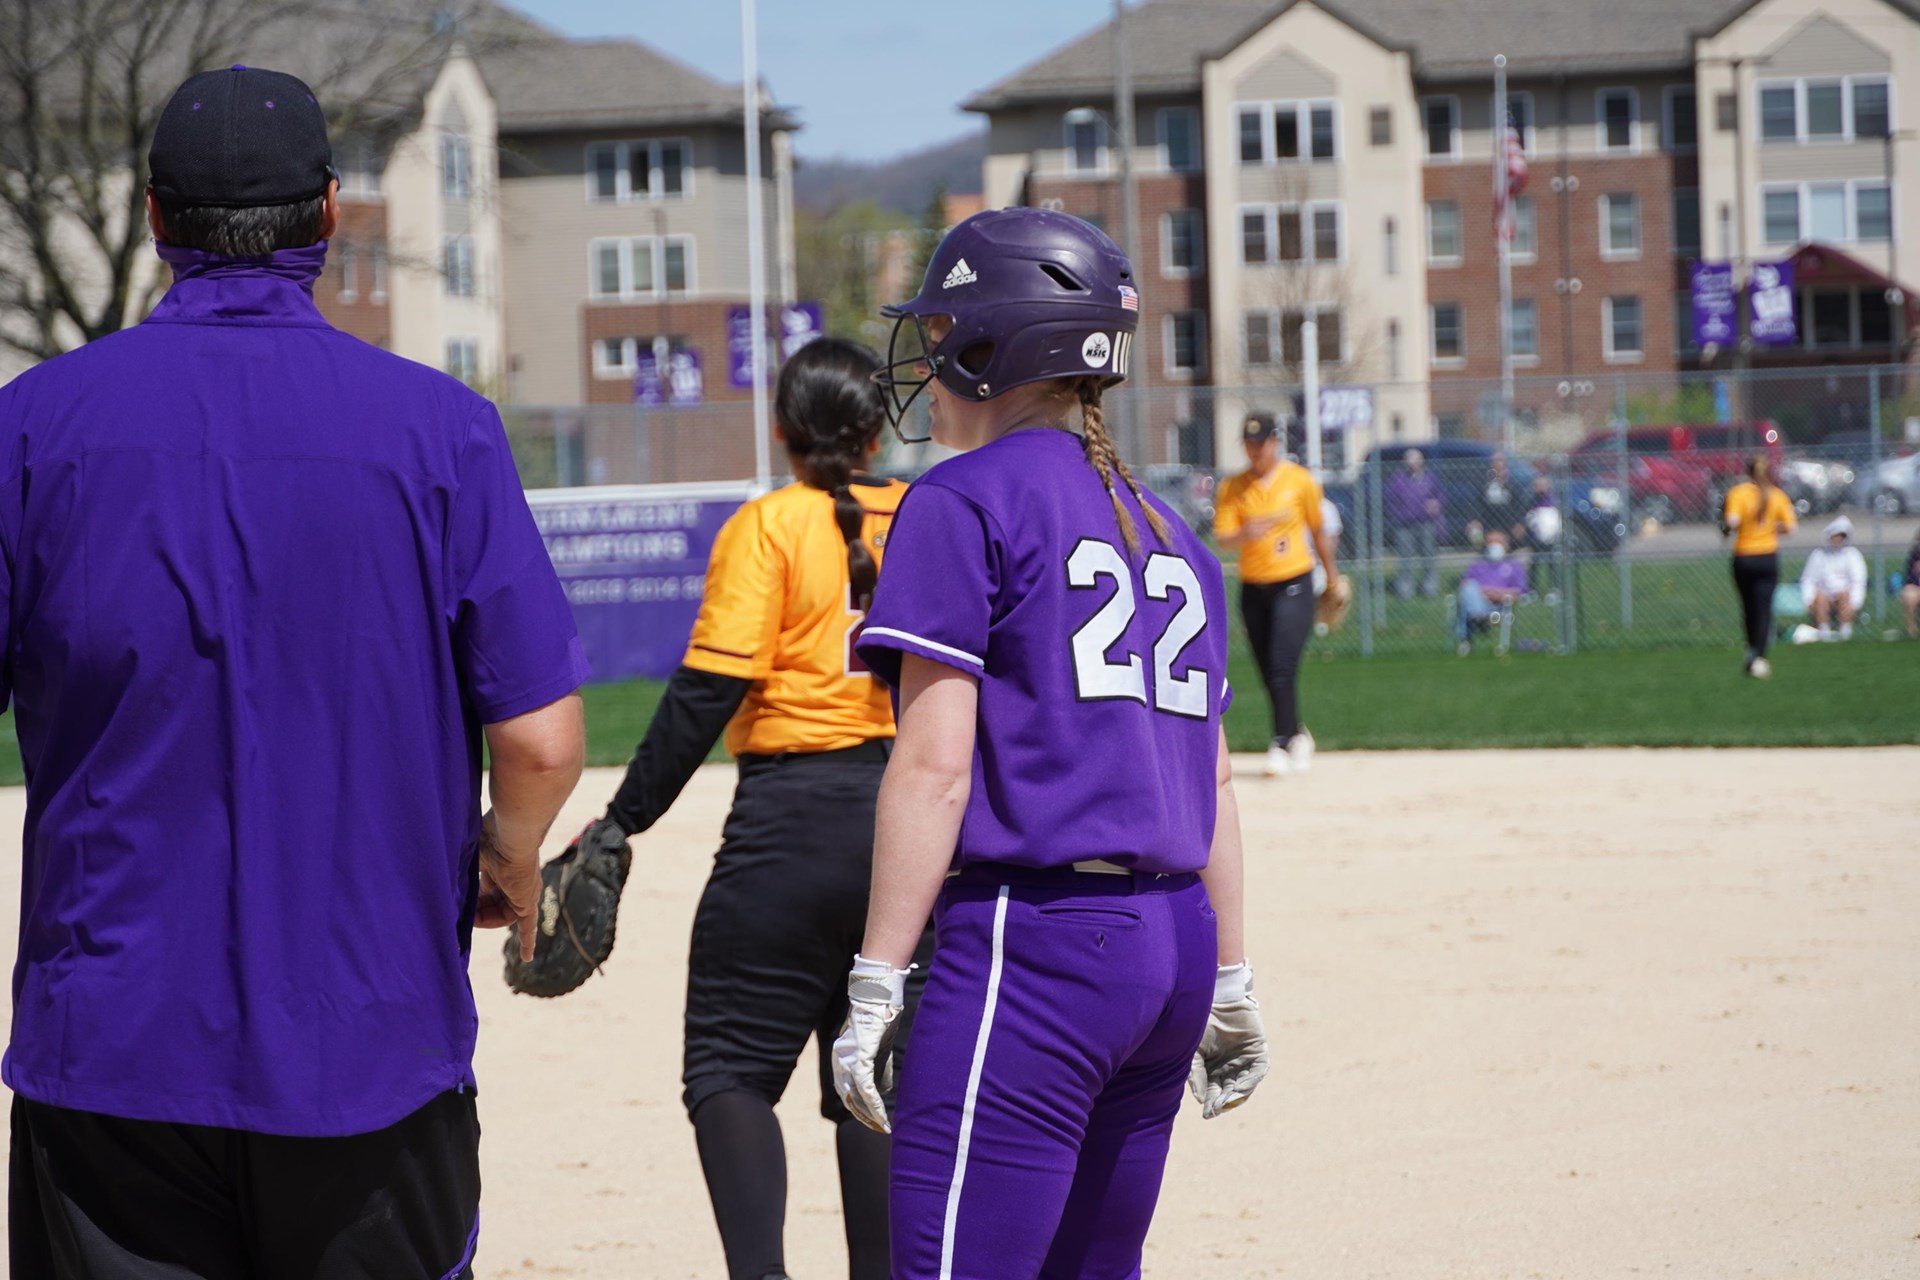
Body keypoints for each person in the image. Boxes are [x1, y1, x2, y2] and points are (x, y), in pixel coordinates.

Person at [0, 67, 588, 1277]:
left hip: (111, 1035)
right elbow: (540, 740)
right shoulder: (443, 429)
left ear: (156, 219)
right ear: (327, 212)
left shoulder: (31, 425)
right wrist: (507, 851)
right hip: (369, 1036)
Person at [832, 209, 1267, 1280]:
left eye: (945, 334)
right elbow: (1211, 779)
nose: (931, 360)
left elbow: (933, 771)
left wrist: (876, 976)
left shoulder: (959, 499)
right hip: (1174, 941)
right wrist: (1232, 971)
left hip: (1041, 944)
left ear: (1000, 343)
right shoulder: (1170, 529)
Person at [572, 339, 927, 1280]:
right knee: (876, 1081)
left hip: (786, 827)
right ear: (875, 429)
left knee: (728, 1069)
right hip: (911, 829)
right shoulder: (925, 516)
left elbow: (708, 691)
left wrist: (623, 819)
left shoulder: (769, 525)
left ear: (782, 428)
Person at [1214, 414, 1340, 776]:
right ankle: (1297, 733)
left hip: (1294, 582)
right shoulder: (1233, 487)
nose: (1255, 450)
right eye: (1249, 443)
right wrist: (1244, 534)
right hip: (1253, 588)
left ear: (1276, 442)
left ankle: (1281, 743)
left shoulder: (1299, 480)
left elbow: (1319, 530)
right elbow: (1223, 538)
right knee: (1269, 670)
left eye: (1262, 442)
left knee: (1283, 664)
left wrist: (1332, 578)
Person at [1721, 453, 1798, 677]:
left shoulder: (1738, 493)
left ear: (1747, 472)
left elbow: (1732, 522)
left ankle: (1752, 651)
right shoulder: (1777, 495)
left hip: (1744, 556)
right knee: (1764, 609)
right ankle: (1760, 657)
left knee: (1748, 608)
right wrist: (1771, 528)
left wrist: (1726, 524)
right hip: (1767, 557)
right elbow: (1791, 528)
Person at [1454, 530, 1529, 654]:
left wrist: (1496, 594)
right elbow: (1465, 584)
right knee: (1469, 589)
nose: (1494, 546)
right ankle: (1480, 618)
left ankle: (1478, 622)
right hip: (1478, 602)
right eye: (1490, 542)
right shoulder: (1477, 564)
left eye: (1497, 542)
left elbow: (1519, 592)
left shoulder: (1514, 566)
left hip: (1499, 609)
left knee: (1470, 601)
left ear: (1506, 545)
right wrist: (1483, 593)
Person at [1799, 515, 1869, 641]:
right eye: (1836, 535)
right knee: (1820, 597)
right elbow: (1808, 579)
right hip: (1823, 597)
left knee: (1844, 594)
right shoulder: (1818, 555)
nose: (1838, 539)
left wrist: (1855, 603)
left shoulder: (1853, 555)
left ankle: (1844, 631)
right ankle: (1824, 632)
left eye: (1842, 536)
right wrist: (1808, 600)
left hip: (1844, 596)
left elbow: (1858, 581)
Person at [1387, 447, 1444, 597]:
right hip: (1404, 524)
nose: (1413, 463)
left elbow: (1440, 495)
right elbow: (1390, 500)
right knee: (1405, 556)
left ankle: (1429, 588)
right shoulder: (1398, 479)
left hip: (1426, 522)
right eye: (1410, 459)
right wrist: (1399, 514)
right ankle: (1405, 589)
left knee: (1428, 554)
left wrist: (1436, 504)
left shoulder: (1430, 478)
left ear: (1422, 461)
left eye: (1416, 459)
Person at [1469, 452, 1529, 549]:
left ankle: (1506, 547)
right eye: (1496, 465)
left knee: (1518, 533)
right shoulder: (1484, 485)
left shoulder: (1513, 486)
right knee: (1475, 532)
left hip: (1508, 524)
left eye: (1502, 467)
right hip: (1487, 523)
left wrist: (1520, 523)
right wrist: (1474, 521)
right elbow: (1476, 505)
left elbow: (1520, 507)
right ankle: (1483, 549)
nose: (1499, 471)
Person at [1904, 528, 1920, 640]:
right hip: (1917, 588)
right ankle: (1911, 631)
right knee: (1909, 593)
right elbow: (1910, 579)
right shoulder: (1915, 556)